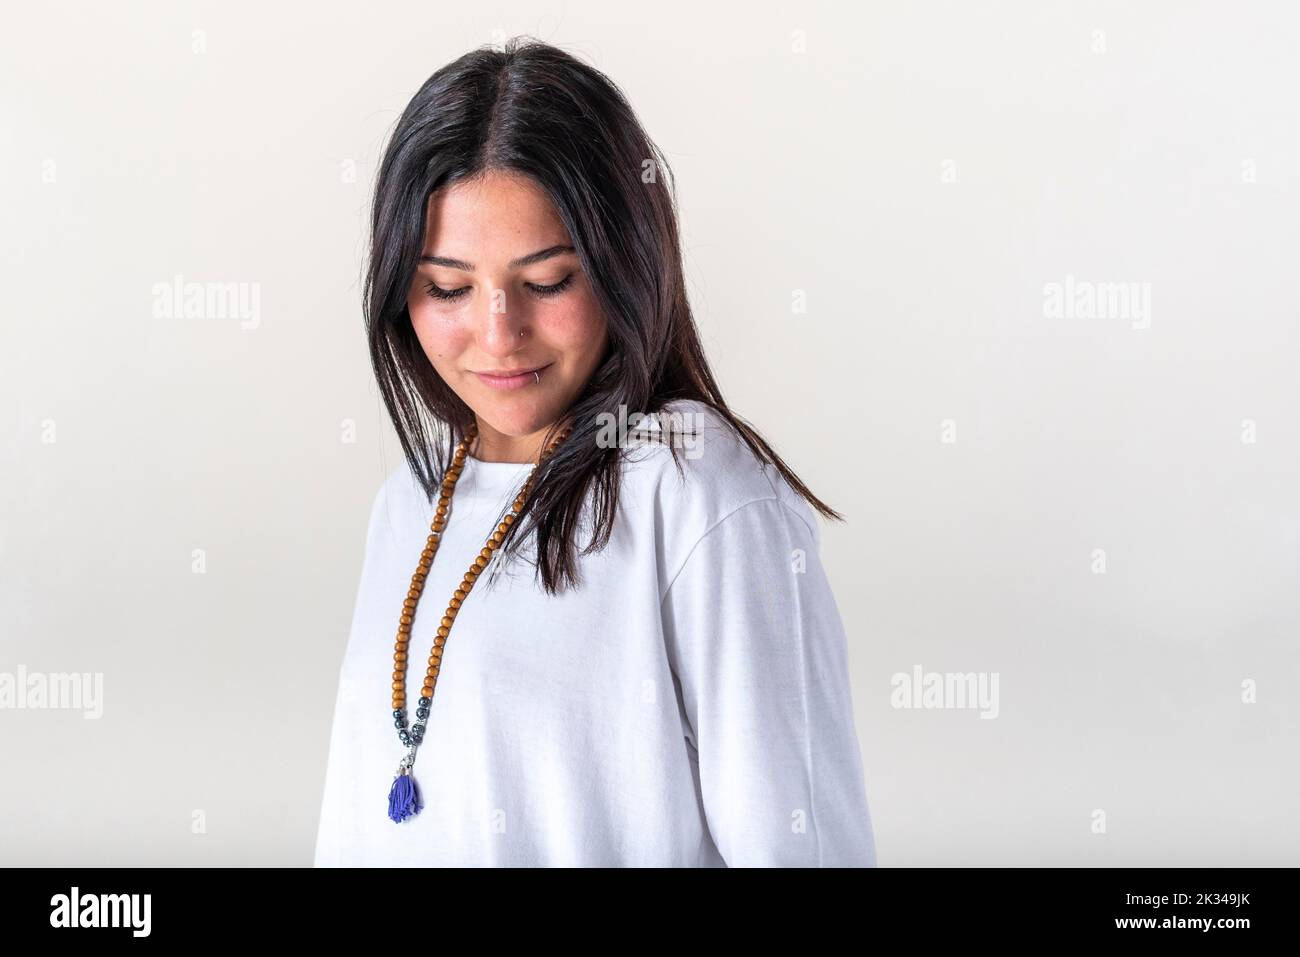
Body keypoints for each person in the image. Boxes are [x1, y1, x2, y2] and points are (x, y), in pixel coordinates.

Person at [313, 36, 876, 867]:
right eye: (449, 287)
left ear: (624, 264)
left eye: (548, 281)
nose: (499, 332)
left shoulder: (698, 492)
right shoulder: (409, 500)